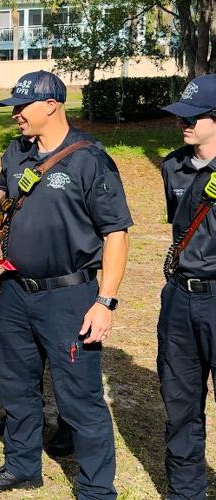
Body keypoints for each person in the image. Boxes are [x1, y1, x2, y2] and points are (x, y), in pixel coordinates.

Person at [0, 71, 131, 498]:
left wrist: (105, 301)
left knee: (80, 399)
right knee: (16, 385)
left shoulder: (89, 159)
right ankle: (22, 465)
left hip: (69, 296)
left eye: (21, 106)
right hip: (14, 292)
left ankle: (97, 489)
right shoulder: (15, 153)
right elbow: (3, 207)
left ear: (51, 105)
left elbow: (116, 233)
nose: (15, 115)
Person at [157, 74, 216, 499]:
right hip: (180, 297)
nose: (184, 124)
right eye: (182, 117)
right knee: (179, 403)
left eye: (194, 117)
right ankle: (185, 492)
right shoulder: (172, 166)